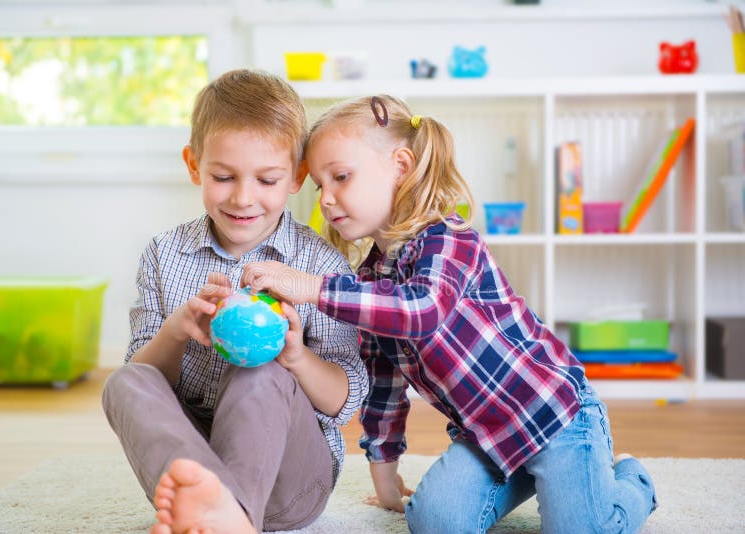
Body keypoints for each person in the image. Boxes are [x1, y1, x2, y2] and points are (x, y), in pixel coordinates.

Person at [241, 94, 658, 533]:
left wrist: (309, 286)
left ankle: (633, 480)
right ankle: (533, 476)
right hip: (487, 433)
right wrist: (384, 473)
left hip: (556, 415)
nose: (326, 199)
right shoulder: (368, 279)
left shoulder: (447, 237)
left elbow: (422, 310)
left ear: (400, 166)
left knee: (582, 529)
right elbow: (383, 381)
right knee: (435, 522)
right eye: (320, 186)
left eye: (341, 177)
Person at [101, 69, 369, 534]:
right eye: (223, 177)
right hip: (193, 472)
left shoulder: (319, 266)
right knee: (124, 382)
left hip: (290, 485)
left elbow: (345, 401)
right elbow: (146, 377)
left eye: (267, 180)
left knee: (259, 368)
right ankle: (217, 507)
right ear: (193, 165)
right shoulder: (164, 255)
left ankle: (234, 517)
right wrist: (176, 330)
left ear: (297, 177)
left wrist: (297, 357)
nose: (244, 198)